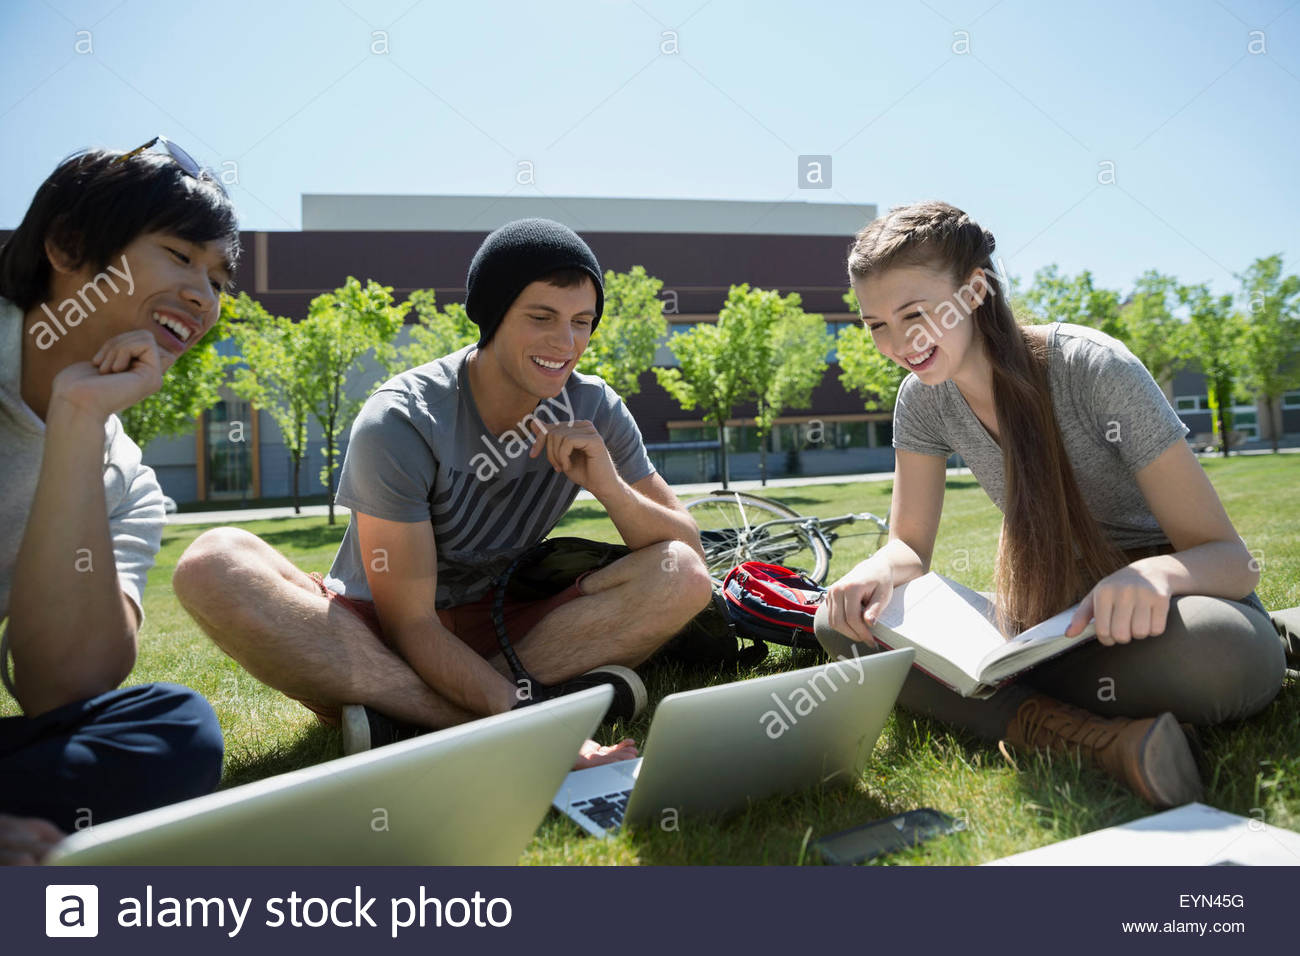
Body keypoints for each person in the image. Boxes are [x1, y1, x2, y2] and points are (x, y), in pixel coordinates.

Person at [172, 218, 713, 765]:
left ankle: (404, 716)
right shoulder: (402, 418)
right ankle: (506, 715)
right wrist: (539, 732)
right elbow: (411, 624)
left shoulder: (594, 407)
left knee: (680, 575)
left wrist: (610, 486)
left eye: (582, 321)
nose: (567, 342)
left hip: (501, 623)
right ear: (493, 314)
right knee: (211, 562)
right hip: (378, 627)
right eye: (541, 317)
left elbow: (688, 549)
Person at [815, 199, 1298, 808]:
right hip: (1049, 619)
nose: (897, 341)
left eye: (913, 313)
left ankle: (1269, 633)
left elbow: (1231, 559)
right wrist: (874, 571)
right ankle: (1085, 737)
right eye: (875, 324)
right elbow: (908, 547)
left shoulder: (1092, 368)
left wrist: (1150, 574)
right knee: (840, 621)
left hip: (1163, 607)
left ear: (973, 291)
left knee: (1229, 657)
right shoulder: (921, 401)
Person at [0, 140, 236, 863]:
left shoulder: (127, 481)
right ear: (69, 245)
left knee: (175, 729)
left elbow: (62, 689)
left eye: (220, 278)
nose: (205, 297)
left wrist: (78, 420)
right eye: (179, 255)